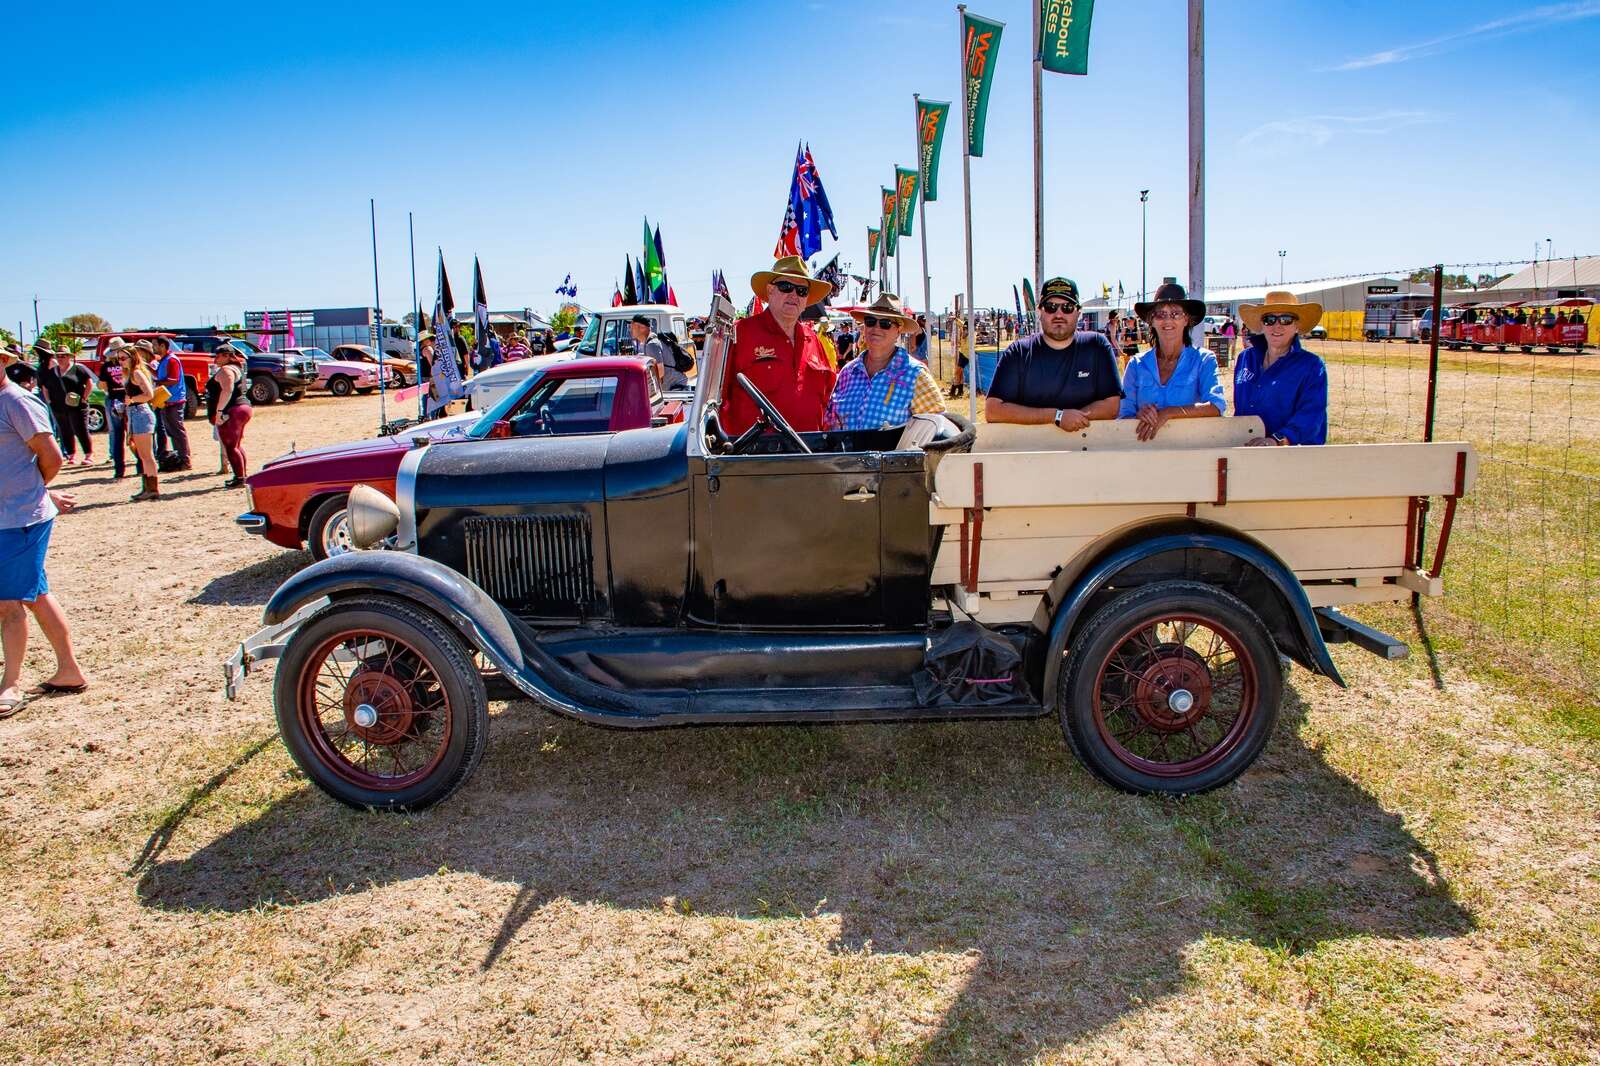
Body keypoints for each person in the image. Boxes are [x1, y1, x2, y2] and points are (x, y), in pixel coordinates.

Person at [0, 359, 86, 716]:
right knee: (36, 595)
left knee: (8, 602)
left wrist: (36, 493)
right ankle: (69, 670)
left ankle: (10, 684)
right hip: (8, 517)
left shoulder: (17, 402)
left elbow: (51, 457)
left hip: (18, 520)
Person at [986, 277, 1122, 432]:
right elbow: (993, 410)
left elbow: (1112, 405)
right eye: (1051, 307)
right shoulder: (1018, 352)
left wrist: (1074, 419)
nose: (1059, 314)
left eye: (1067, 307)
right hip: (1031, 445)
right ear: (1039, 311)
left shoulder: (1097, 346)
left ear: (1078, 313)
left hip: (1086, 444)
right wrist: (1057, 417)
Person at [719, 255, 836, 435]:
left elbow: (828, 399)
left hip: (810, 449)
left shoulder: (813, 340)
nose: (794, 295)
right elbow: (715, 400)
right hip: (756, 450)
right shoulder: (739, 333)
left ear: (806, 300)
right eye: (786, 286)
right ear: (770, 290)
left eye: (802, 291)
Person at [1118, 283, 1226, 442]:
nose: (1168, 320)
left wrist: (1170, 412)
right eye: (1160, 314)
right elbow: (1123, 415)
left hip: (1190, 448)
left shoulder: (1203, 360)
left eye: (1175, 314)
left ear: (1186, 319)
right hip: (1143, 449)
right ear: (1151, 320)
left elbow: (1216, 406)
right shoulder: (1136, 364)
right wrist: (1138, 415)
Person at [825, 294, 946, 431]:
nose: (876, 328)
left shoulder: (915, 374)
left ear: (898, 331)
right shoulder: (848, 372)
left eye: (885, 324)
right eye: (870, 321)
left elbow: (936, 427)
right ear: (864, 327)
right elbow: (831, 420)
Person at [1234, 290, 1328, 447]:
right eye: (1269, 319)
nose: (1276, 326)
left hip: (1291, 454)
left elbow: (1311, 415)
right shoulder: (1245, 358)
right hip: (1246, 448)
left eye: (1286, 319)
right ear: (1262, 325)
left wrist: (1276, 440)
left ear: (1297, 325)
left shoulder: (1312, 365)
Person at [40, 347, 97, 465]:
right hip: (58, 407)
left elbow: (89, 383)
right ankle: (71, 455)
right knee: (65, 430)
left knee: (81, 429)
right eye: (58, 356)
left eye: (63, 356)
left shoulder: (78, 369)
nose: (60, 358)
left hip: (78, 406)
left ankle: (88, 454)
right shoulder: (52, 372)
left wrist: (84, 398)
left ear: (69, 357)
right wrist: (49, 401)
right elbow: (45, 387)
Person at [206, 344, 253, 487]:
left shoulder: (227, 370)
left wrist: (219, 411)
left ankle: (240, 478)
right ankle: (241, 476)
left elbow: (227, 389)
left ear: (227, 356)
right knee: (236, 445)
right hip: (241, 408)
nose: (215, 359)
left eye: (218, 356)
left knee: (231, 446)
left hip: (233, 410)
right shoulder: (236, 368)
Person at [123, 340, 163, 499]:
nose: (120, 361)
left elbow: (149, 394)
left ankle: (152, 489)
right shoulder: (131, 373)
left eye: (123, 358)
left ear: (132, 357)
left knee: (147, 455)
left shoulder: (137, 373)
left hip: (141, 412)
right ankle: (147, 487)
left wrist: (132, 399)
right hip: (135, 413)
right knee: (142, 454)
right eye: (118, 358)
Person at [150, 336, 190, 470]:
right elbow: (159, 374)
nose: (153, 348)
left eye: (155, 345)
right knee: (172, 431)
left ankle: (185, 460)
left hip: (175, 400)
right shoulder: (163, 360)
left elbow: (174, 379)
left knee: (178, 431)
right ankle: (179, 458)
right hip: (166, 400)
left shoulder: (172, 360)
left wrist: (157, 383)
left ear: (162, 346)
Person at [99, 338, 131, 478]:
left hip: (113, 399)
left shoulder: (106, 366)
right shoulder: (128, 364)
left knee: (117, 434)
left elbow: (103, 385)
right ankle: (141, 465)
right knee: (134, 433)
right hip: (128, 399)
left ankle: (119, 469)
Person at [629, 314, 671, 390]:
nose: (630, 330)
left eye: (632, 327)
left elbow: (660, 372)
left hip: (672, 389)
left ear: (642, 328)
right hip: (670, 387)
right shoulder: (648, 342)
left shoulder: (651, 344)